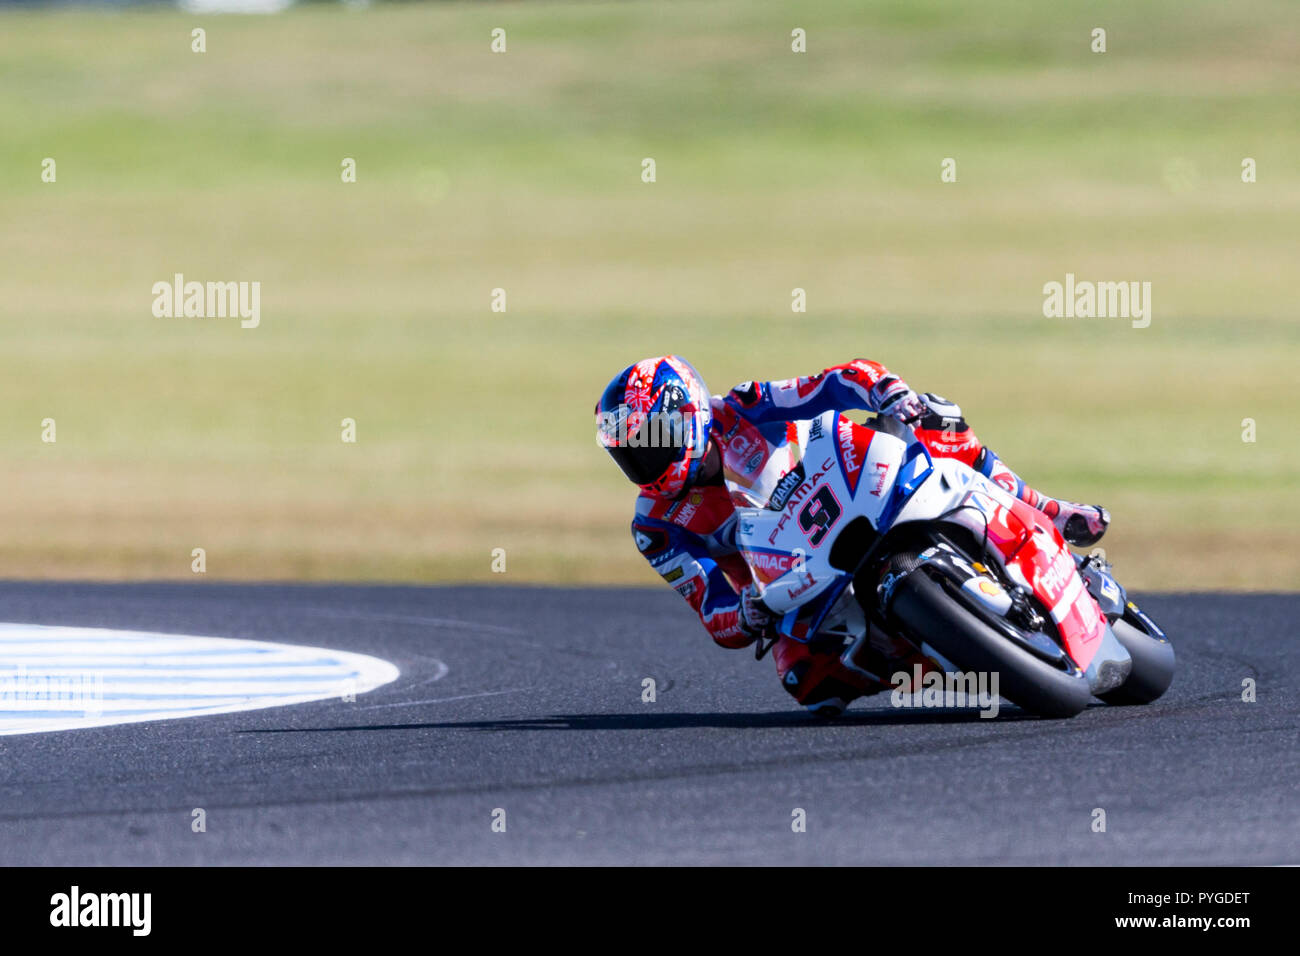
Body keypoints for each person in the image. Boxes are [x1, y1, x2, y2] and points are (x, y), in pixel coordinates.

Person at [595, 355, 1109, 715]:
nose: (641, 458)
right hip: (796, 584)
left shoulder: (745, 406)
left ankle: (1044, 508)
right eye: (629, 450)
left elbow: (836, 381)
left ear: (688, 412)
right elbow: (714, 615)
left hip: (859, 493)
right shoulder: (655, 528)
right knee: (810, 686)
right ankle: (947, 658)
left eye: (649, 438)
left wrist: (890, 393)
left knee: (936, 418)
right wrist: (748, 613)